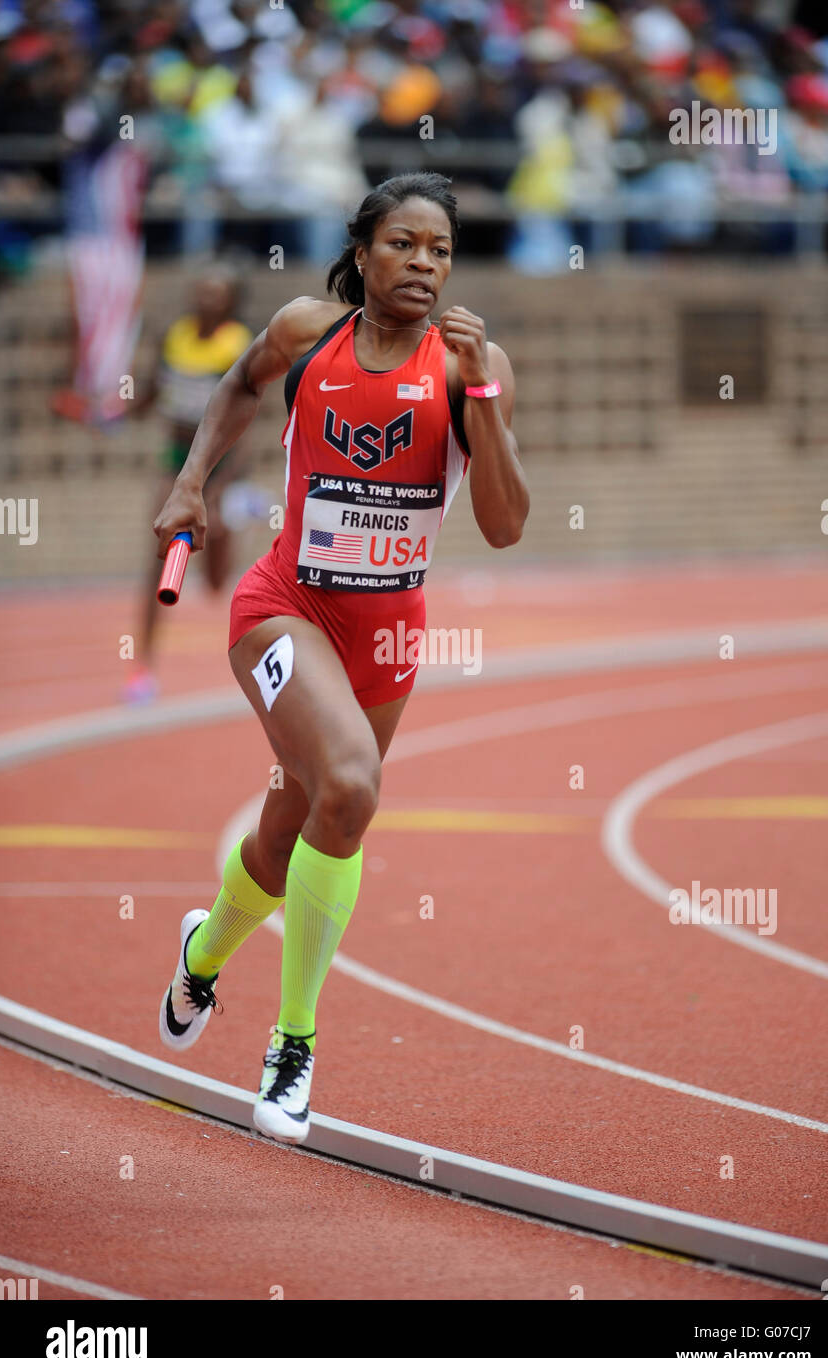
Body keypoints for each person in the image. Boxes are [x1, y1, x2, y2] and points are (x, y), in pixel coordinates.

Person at [154, 171, 529, 1143]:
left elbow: (503, 525)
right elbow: (236, 386)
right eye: (403, 243)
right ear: (363, 252)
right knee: (352, 787)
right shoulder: (304, 332)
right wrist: (193, 483)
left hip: (388, 641)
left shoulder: (465, 368)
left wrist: (484, 391)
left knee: (292, 833)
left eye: (440, 250)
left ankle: (202, 952)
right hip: (282, 607)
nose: (423, 264)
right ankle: (295, 1045)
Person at [126, 263, 253, 702]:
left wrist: (219, 489)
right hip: (177, 463)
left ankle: (237, 512)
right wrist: (110, 409)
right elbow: (148, 396)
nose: (206, 299)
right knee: (157, 558)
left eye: (217, 293)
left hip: (224, 464)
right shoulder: (175, 337)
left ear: (231, 301)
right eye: (201, 290)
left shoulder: (239, 345)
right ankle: (142, 669)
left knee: (217, 580)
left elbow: (244, 424)